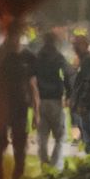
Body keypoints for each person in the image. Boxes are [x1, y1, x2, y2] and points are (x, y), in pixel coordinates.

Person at [0, 25, 39, 179]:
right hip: (1, 108)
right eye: (12, 37)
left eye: (18, 37)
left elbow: (32, 85)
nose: (15, 40)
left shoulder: (29, 57)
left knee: (20, 150)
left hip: (20, 108)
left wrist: (36, 112)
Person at [33, 32, 74, 170]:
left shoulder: (37, 57)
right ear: (55, 42)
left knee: (42, 136)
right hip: (55, 99)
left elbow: (31, 77)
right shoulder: (58, 57)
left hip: (41, 100)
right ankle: (55, 166)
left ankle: (44, 164)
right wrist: (69, 94)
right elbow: (68, 75)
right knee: (60, 137)